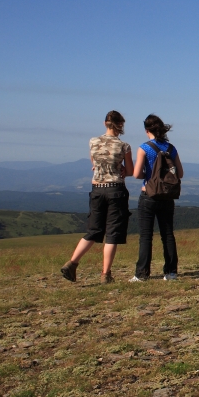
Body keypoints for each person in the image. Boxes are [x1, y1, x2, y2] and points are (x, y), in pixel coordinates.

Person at [61, 111, 133, 283]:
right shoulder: (124, 146)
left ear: (105, 123)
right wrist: (121, 169)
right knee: (112, 233)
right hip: (115, 188)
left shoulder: (93, 142)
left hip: (97, 188)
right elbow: (129, 171)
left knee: (93, 231)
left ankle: (72, 263)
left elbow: (94, 164)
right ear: (121, 125)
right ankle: (105, 274)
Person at [131, 114, 184, 281]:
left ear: (147, 130)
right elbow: (180, 173)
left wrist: (151, 174)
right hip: (167, 196)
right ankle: (171, 272)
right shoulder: (171, 148)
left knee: (146, 235)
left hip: (148, 194)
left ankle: (142, 274)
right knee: (168, 234)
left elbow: (137, 174)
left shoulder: (144, 148)